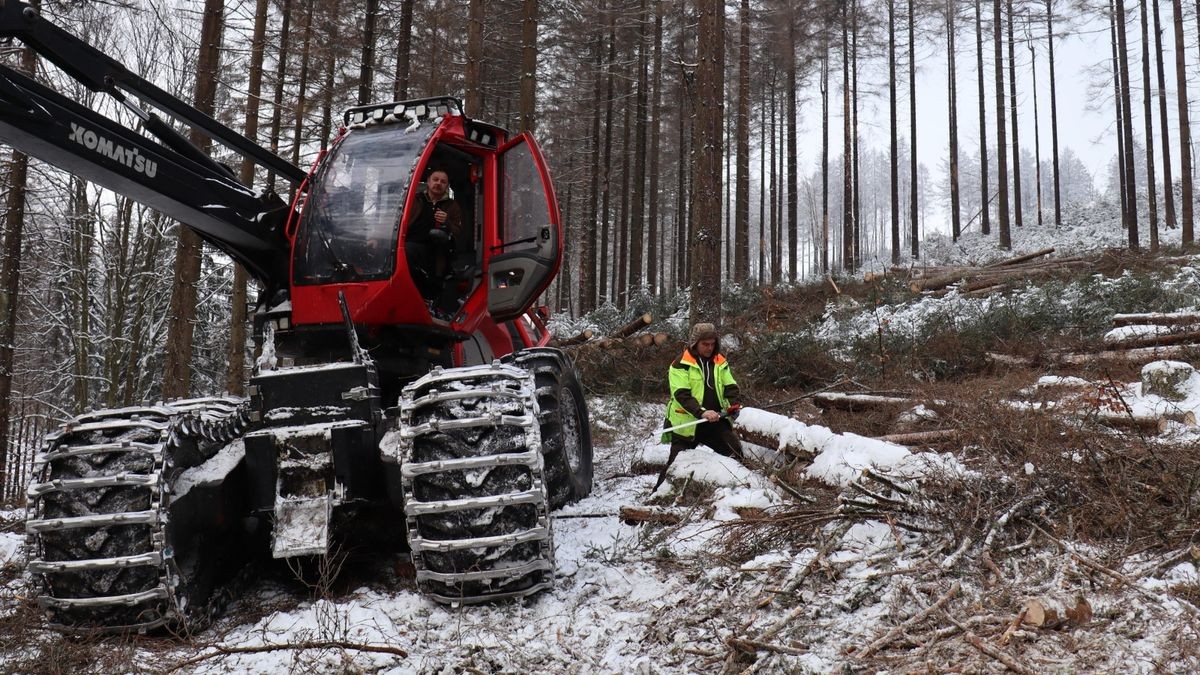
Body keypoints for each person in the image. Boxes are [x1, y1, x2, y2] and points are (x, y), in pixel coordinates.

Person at [656, 322, 744, 489]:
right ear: (695, 343)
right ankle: (657, 496)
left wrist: (733, 405)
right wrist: (701, 412)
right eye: (705, 344)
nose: (709, 348)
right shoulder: (680, 364)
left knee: (735, 453)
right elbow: (682, 394)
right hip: (687, 425)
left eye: (712, 344)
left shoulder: (720, 361)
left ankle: (738, 491)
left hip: (715, 422)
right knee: (674, 464)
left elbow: (730, 386)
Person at [406, 168, 463, 305]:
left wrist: (447, 222)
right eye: (435, 180)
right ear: (428, 182)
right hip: (408, 243)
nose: (438, 183)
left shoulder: (452, 205)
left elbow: (458, 232)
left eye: (443, 182)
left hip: (435, 251)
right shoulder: (414, 199)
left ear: (447, 186)